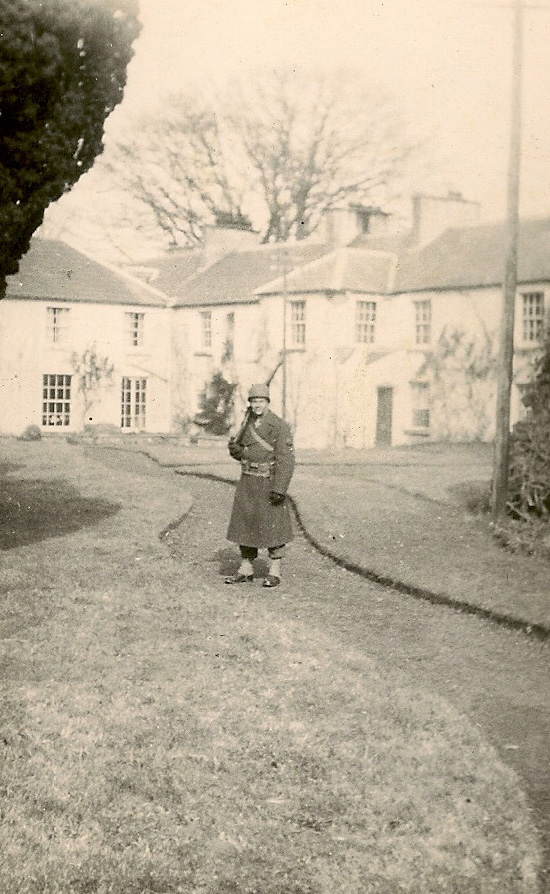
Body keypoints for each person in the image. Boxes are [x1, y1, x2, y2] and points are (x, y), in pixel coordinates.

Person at [225, 383, 295, 588]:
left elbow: (286, 460)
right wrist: (236, 450)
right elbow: (243, 451)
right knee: (245, 524)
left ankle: (275, 572)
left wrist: (279, 489)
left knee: (273, 527)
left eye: (261, 401)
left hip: (268, 483)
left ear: (267, 402)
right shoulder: (247, 423)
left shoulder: (279, 426)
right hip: (248, 481)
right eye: (254, 401)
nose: (257, 405)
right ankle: (245, 568)